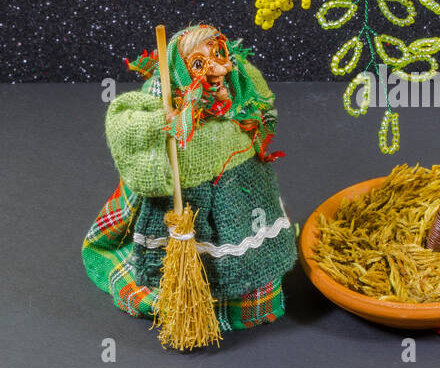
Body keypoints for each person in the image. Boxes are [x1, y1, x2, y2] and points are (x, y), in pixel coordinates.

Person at [82, 24, 296, 331]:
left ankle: (247, 303)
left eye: (219, 55)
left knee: (244, 249)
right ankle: (184, 303)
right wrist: (164, 121)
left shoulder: (239, 89)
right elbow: (127, 126)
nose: (215, 68)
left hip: (239, 193)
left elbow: (259, 111)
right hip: (187, 204)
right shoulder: (167, 98)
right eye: (198, 63)